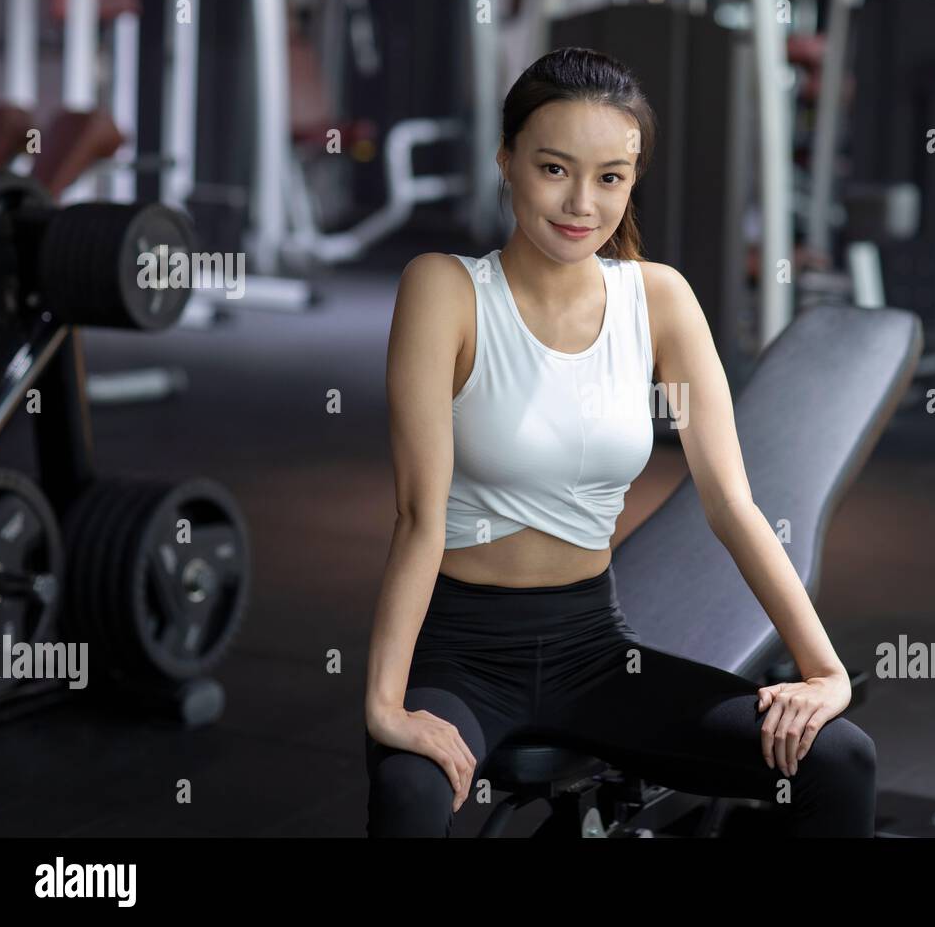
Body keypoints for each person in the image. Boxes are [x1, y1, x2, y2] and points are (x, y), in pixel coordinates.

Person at [363, 46, 875, 837]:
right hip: (461, 657)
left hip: (595, 652)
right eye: (554, 168)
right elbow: (416, 514)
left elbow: (733, 503)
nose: (581, 203)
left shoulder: (658, 299)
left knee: (839, 758)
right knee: (407, 796)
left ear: (632, 181)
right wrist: (384, 705)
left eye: (610, 177)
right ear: (508, 163)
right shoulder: (446, 290)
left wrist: (825, 671)